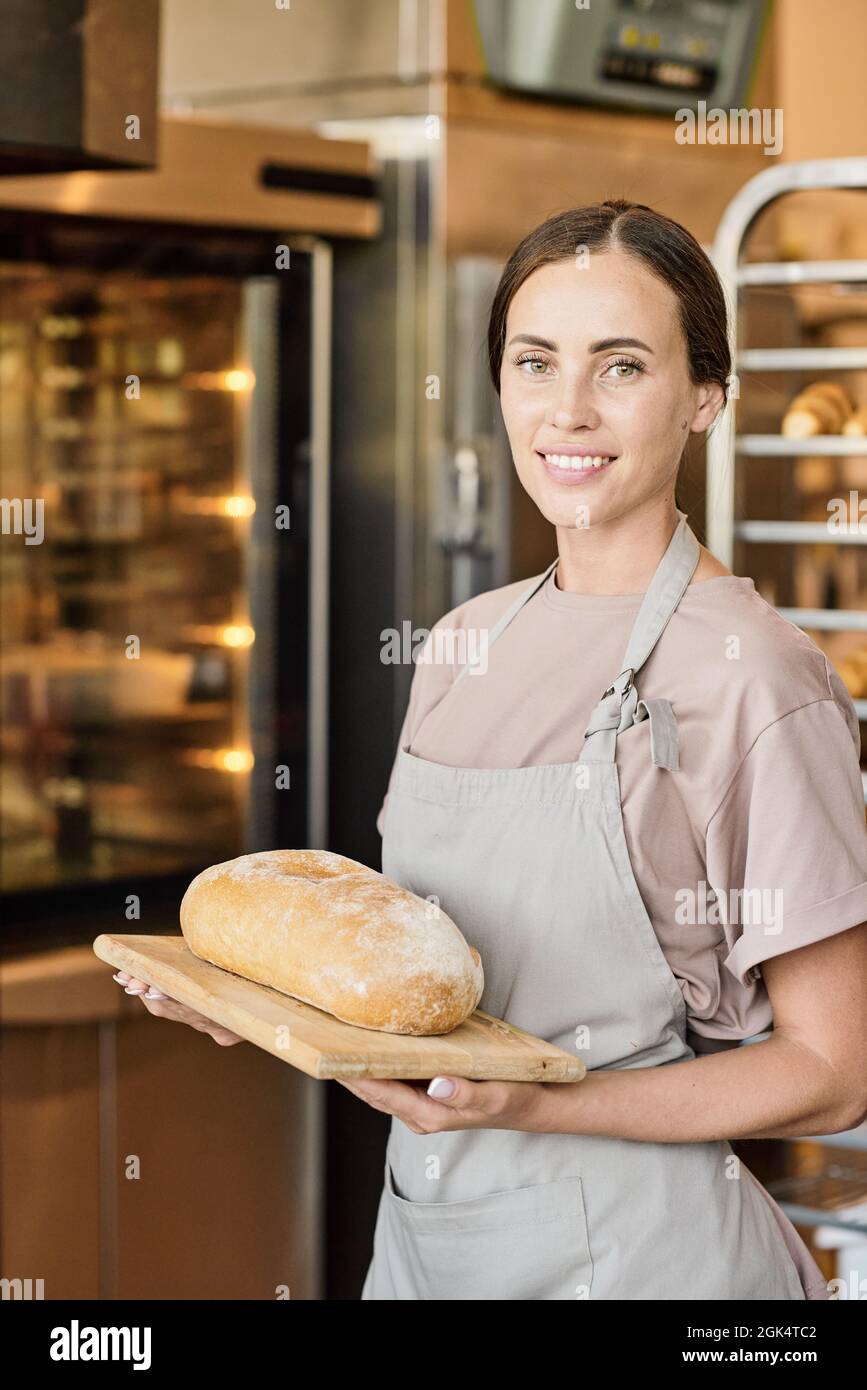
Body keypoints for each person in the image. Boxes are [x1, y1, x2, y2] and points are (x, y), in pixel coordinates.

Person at [119, 199, 867, 1301]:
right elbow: (426, 977)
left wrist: (543, 1106)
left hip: (647, 1261)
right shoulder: (465, 639)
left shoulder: (755, 671)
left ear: (705, 395)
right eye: (534, 362)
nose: (568, 410)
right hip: (428, 1241)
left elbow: (833, 1071)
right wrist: (254, 997)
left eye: (621, 366)